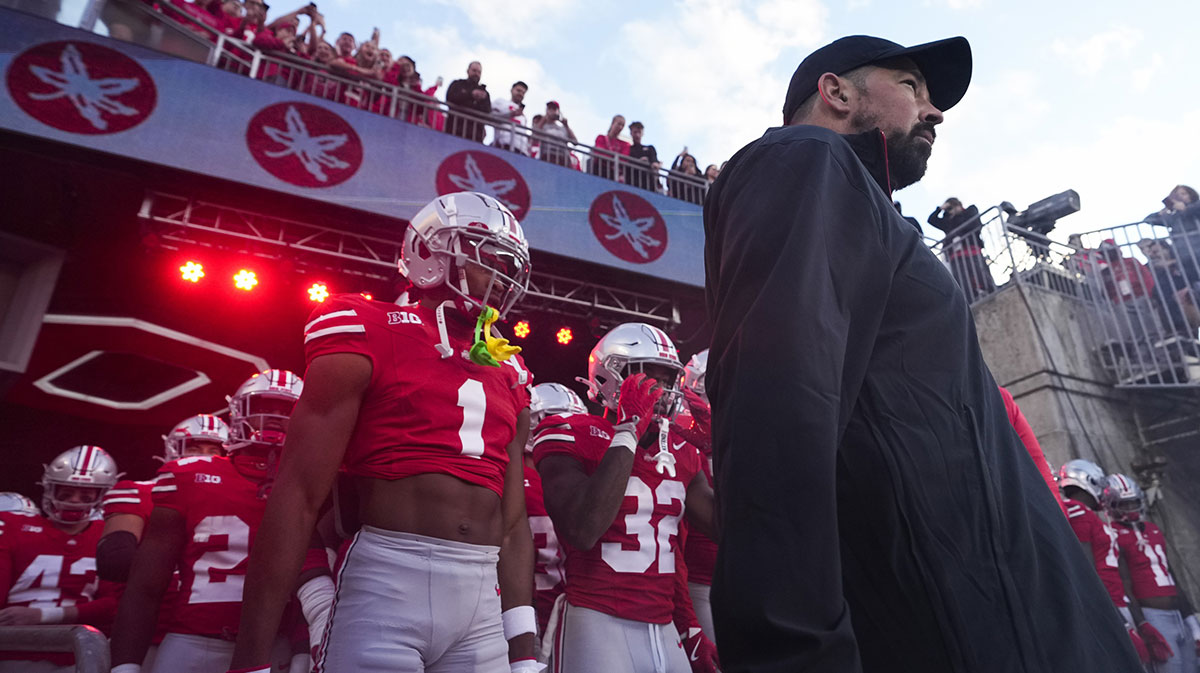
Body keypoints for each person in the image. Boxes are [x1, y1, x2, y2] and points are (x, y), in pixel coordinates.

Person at [703, 34, 1142, 672]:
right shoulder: (806, 158)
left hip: (1010, 624)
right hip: (963, 631)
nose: (935, 111)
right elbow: (777, 411)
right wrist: (795, 654)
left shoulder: (867, 207)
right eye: (911, 86)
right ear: (836, 92)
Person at [229, 192, 539, 673]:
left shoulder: (511, 370)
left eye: (510, 266)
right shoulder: (366, 327)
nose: (502, 277)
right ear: (430, 252)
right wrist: (251, 657)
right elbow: (299, 496)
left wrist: (524, 649)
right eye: (489, 258)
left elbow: (513, 526)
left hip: (481, 598)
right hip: (387, 583)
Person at [533, 323, 718, 673]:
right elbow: (583, 530)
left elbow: (726, 529)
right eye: (648, 378)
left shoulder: (679, 448)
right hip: (597, 620)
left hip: (664, 627)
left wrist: (718, 454)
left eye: (667, 379)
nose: (660, 390)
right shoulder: (571, 431)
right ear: (609, 376)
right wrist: (628, 429)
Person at [110, 369, 304, 673]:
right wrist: (125, 666)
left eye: (287, 411)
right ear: (238, 413)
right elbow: (146, 586)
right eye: (265, 406)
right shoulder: (188, 475)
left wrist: (304, 648)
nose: (275, 418)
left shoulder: (316, 483)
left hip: (274, 645)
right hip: (193, 643)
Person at [97, 414, 230, 672]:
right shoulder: (138, 491)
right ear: (172, 449)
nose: (203, 457)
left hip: (213, 633)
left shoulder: (237, 495)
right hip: (145, 635)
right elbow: (114, 561)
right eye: (194, 448)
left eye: (214, 451)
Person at [0, 446, 120, 673]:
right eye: (65, 492)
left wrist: (43, 616)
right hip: (15, 646)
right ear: (49, 488)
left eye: (85, 495)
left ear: (102, 496)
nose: (74, 501)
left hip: (78, 651)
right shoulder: (13, 526)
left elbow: (112, 604)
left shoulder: (107, 533)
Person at [1057, 460, 1151, 664]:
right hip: (1108, 605)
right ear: (1089, 480)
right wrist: (1121, 621)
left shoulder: (1089, 514)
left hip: (1117, 601)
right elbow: (1086, 569)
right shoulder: (1077, 510)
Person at [1105, 474, 1200, 673]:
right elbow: (1125, 584)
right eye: (1125, 504)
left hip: (1178, 614)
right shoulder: (1113, 534)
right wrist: (1142, 623)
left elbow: (1171, 575)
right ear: (1112, 506)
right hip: (1154, 615)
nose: (1131, 508)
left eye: (1134, 503)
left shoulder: (1152, 529)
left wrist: (1192, 622)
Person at [524, 382, 586, 651]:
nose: (568, 430)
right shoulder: (513, 475)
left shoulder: (586, 474)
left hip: (575, 607)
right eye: (559, 422)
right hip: (532, 609)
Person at [928, 197, 993, 302]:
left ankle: (993, 293)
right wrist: (940, 209)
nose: (950, 211)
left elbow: (975, 225)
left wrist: (957, 233)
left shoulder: (970, 211)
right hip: (955, 256)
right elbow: (931, 220)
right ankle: (971, 302)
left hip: (971, 249)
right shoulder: (947, 221)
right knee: (962, 282)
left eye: (951, 207)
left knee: (981, 275)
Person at [445, 61, 492, 142]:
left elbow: (487, 111)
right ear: (468, 71)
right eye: (474, 70)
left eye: (479, 72)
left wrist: (479, 100)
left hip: (475, 136)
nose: (476, 74)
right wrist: (471, 95)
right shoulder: (457, 84)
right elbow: (450, 98)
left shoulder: (484, 93)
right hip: (454, 130)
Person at [533, 101, 576, 167]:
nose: (552, 111)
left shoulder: (563, 128)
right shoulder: (543, 126)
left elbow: (575, 142)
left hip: (564, 159)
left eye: (554, 109)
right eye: (549, 108)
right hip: (548, 156)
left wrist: (566, 125)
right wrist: (545, 118)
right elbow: (534, 134)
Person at [493, 81, 530, 155]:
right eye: (518, 91)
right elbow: (490, 116)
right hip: (503, 144)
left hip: (521, 150)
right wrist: (510, 114)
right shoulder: (501, 102)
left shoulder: (523, 116)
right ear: (512, 90)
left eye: (523, 93)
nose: (520, 94)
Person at [590, 115, 631, 181]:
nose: (620, 127)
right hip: (599, 171)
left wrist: (608, 157)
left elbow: (623, 160)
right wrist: (615, 158)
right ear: (612, 123)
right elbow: (599, 154)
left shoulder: (625, 144)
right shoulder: (601, 138)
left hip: (614, 175)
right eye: (619, 124)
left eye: (623, 125)